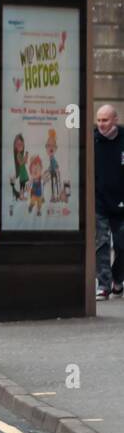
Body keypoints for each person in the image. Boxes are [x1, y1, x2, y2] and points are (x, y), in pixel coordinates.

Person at [94, 105, 124, 300]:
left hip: (122, 202)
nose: (101, 125)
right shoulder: (92, 140)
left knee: (122, 245)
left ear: (115, 120)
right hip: (99, 202)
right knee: (101, 244)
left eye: (105, 120)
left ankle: (117, 279)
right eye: (99, 120)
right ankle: (104, 285)